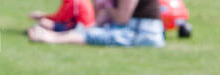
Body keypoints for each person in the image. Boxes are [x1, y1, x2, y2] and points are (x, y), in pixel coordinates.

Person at [27, 0, 165, 47]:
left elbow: (122, 17)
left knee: (93, 35)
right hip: (135, 28)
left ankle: (53, 38)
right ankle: (53, 35)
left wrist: (107, 7)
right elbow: (98, 22)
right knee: (91, 31)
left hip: (143, 33)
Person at [29, 0, 94, 31]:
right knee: (44, 22)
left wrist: (42, 16)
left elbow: (60, 18)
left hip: (80, 28)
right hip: (84, 25)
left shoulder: (73, 2)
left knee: (43, 23)